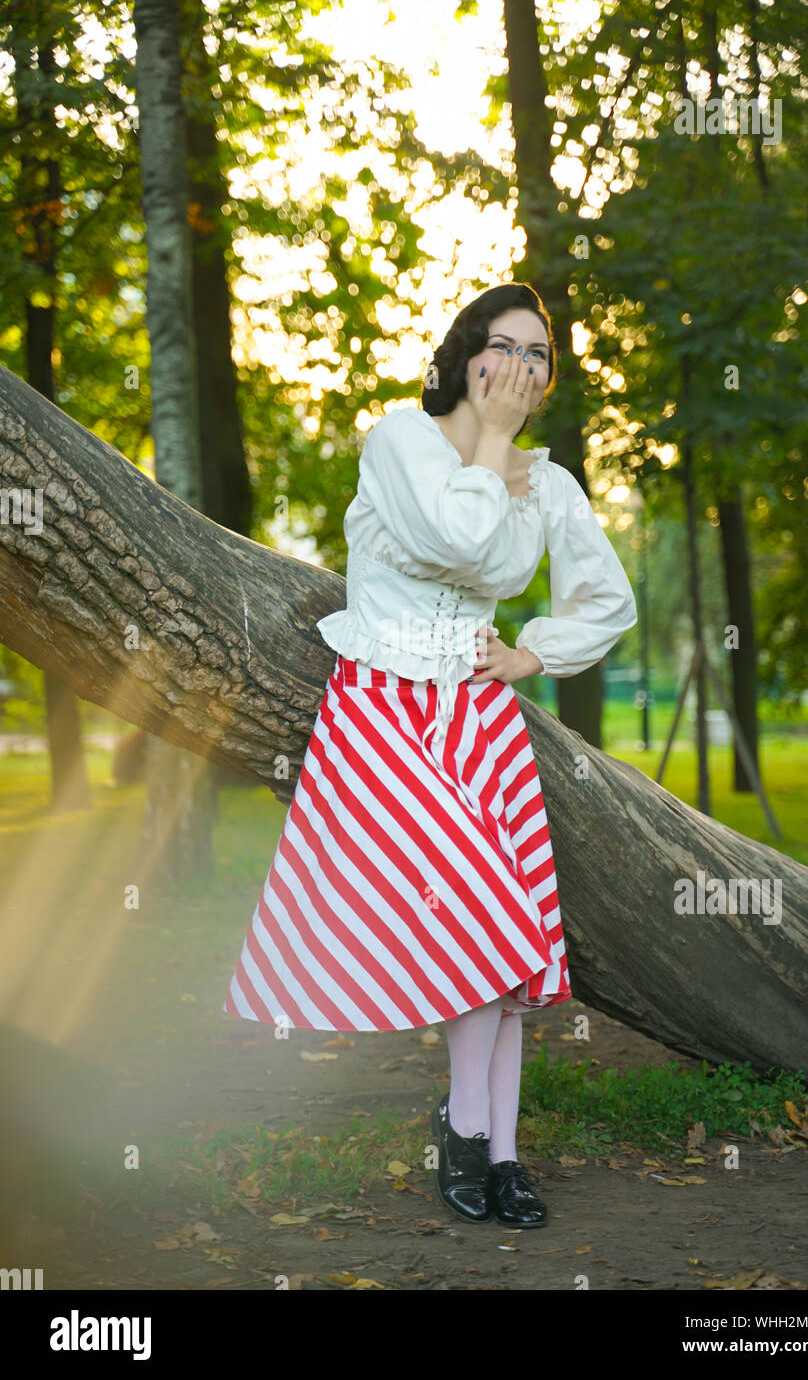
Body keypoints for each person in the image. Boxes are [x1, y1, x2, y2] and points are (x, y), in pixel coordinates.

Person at [223, 282, 638, 1230]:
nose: (521, 369)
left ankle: (499, 1153)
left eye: (539, 356)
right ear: (464, 354)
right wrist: (490, 444)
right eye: (505, 346)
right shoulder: (399, 443)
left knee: (509, 950)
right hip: (381, 712)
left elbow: (605, 599)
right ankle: (465, 1130)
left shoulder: (553, 483)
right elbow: (456, 536)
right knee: (488, 928)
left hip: (478, 723)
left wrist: (532, 652)